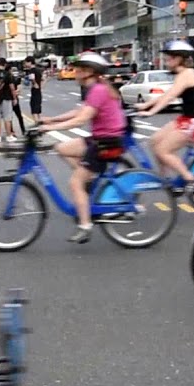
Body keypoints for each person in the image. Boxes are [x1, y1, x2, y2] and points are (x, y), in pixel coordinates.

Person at [38, 51, 127, 244]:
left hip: (105, 142)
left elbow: (81, 119)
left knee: (74, 183)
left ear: (88, 71)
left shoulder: (98, 90)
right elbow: (80, 111)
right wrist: (52, 119)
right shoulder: (96, 88)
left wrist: (49, 128)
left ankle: (85, 226)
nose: (73, 71)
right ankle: (90, 179)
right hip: (99, 138)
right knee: (62, 148)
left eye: (77, 69)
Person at [134, 40, 194, 195]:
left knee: (163, 150)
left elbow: (170, 97)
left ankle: (191, 179)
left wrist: (151, 112)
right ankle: (167, 180)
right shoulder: (181, 75)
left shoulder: (188, 74)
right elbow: (167, 93)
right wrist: (145, 105)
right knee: (154, 141)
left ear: (179, 58)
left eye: (169, 58)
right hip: (186, 118)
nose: (166, 61)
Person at [24, 55, 44, 122]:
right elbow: (43, 79)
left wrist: (35, 84)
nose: (25, 64)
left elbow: (32, 78)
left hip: (35, 91)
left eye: (26, 62)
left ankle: (37, 125)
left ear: (30, 62)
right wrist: (40, 86)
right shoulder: (38, 70)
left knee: (34, 110)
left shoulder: (31, 71)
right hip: (39, 91)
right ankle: (39, 123)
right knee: (38, 110)